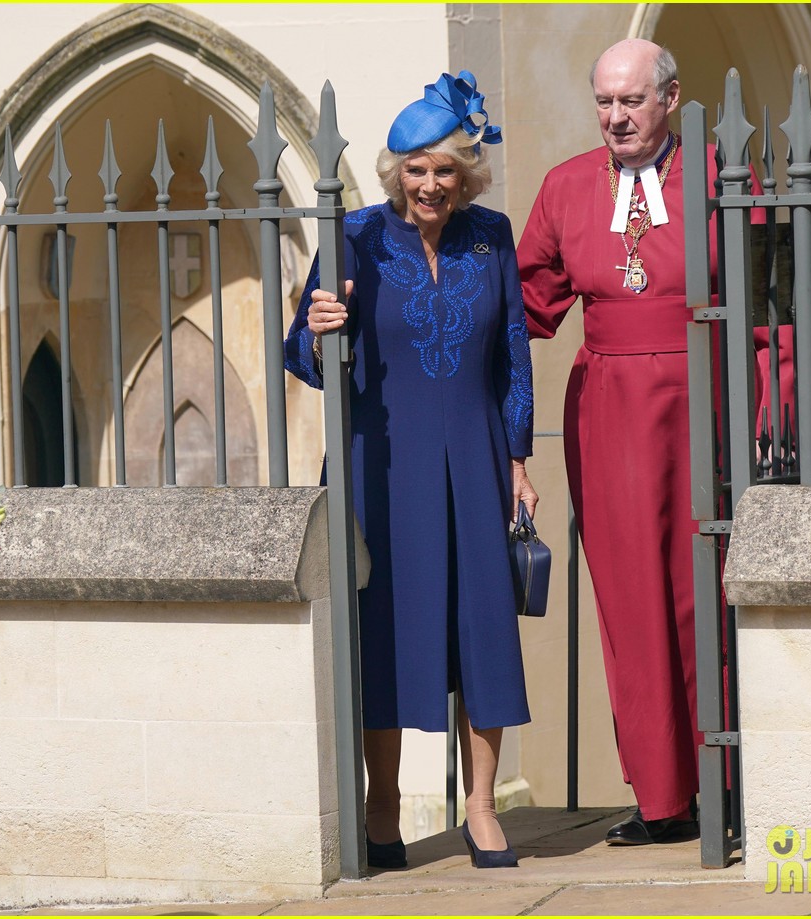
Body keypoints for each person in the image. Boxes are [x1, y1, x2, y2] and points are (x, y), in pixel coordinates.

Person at [285, 72, 538, 870]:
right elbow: (302, 353)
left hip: (475, 451)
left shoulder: (492, 237)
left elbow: (515, 358)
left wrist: (521, 460)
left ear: (468, 172)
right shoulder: (353, 233)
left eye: (446, 169)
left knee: (482, 627)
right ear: (397, 173)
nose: (431, 184)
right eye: (417, 170)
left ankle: (484, 805)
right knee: (384, 630)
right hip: (378, 461)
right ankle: (383, 804)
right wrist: (322, 325)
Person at [516, 39, 710, 846]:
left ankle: (728, 778)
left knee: (705, 587)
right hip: (608, 408)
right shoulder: (566, 185)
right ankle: (665, 798)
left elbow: (773, 289)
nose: (615, 117)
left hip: (702, 400)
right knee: (631, 601)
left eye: (631, 101)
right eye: (604, 102)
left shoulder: (716, 173)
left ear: (668, 98)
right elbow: (524, 300)